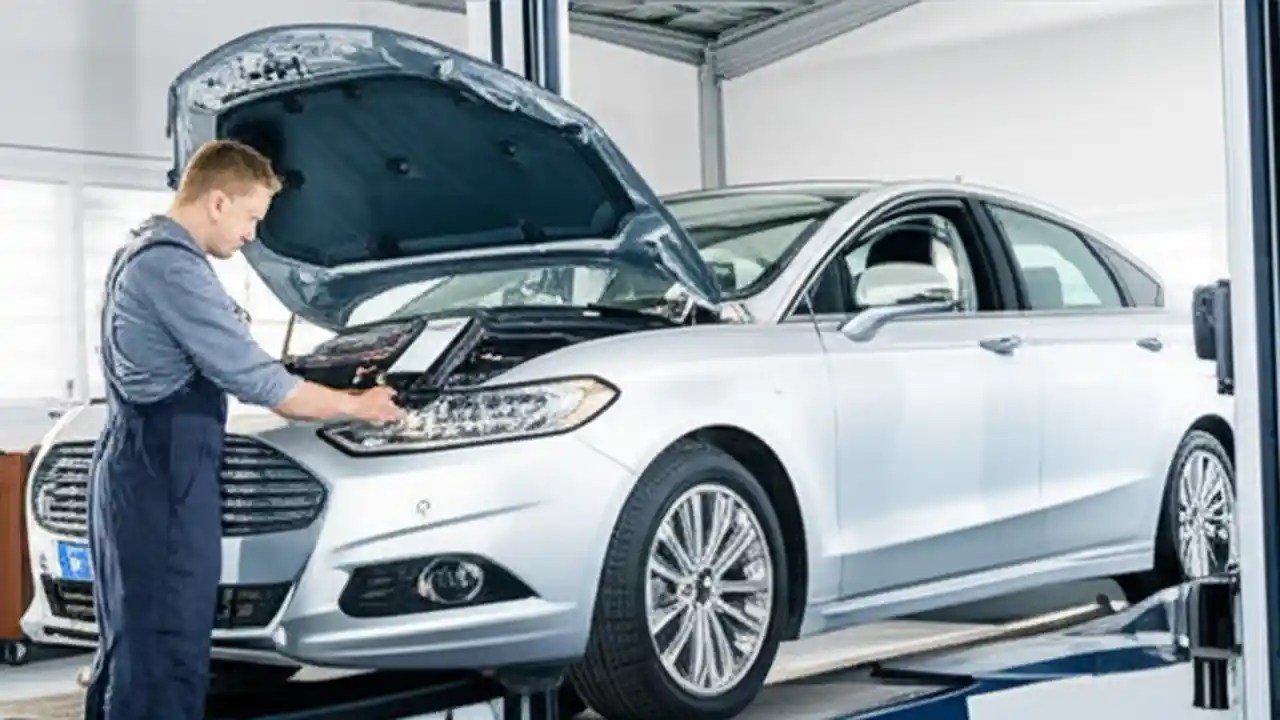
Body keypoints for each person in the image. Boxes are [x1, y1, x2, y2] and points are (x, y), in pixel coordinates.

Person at [81, 139, 405, 720]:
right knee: (167, 646)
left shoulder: (141, 250)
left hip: (140, 469)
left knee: (135, 644)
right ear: (217, 201)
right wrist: (360, 406)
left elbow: (227, 357)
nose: (253, 234)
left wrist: (322, 377)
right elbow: (266, 387)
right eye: (252, 216)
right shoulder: (172, 267)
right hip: (163, 478)